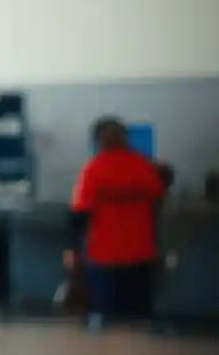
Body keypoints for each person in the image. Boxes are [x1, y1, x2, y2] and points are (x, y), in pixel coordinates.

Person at [65, 116, 165, 324]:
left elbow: (79, 215)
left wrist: (73, 251)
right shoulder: (143, 166)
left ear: (98, 141)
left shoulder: (93, 170)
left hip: (104, 258)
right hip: (141, 254)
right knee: (140, 316)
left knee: (108, 318)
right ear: (125, 138)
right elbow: (157, 203)